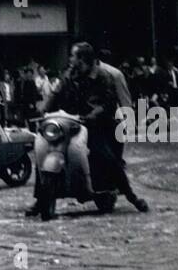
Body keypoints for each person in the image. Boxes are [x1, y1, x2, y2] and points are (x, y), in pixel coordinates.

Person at [38, 41, 149, 213]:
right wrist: (44, 110)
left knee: (106, 156)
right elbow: (56, 93)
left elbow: (107, 103)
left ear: (81, 58)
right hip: (71, 122)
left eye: (73, 56)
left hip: (96, 125)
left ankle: (131, 196)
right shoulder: (69, 74)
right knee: (46, 150)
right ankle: (40, 199)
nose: (70, 59)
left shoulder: (103, 76)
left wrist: (91, 116)